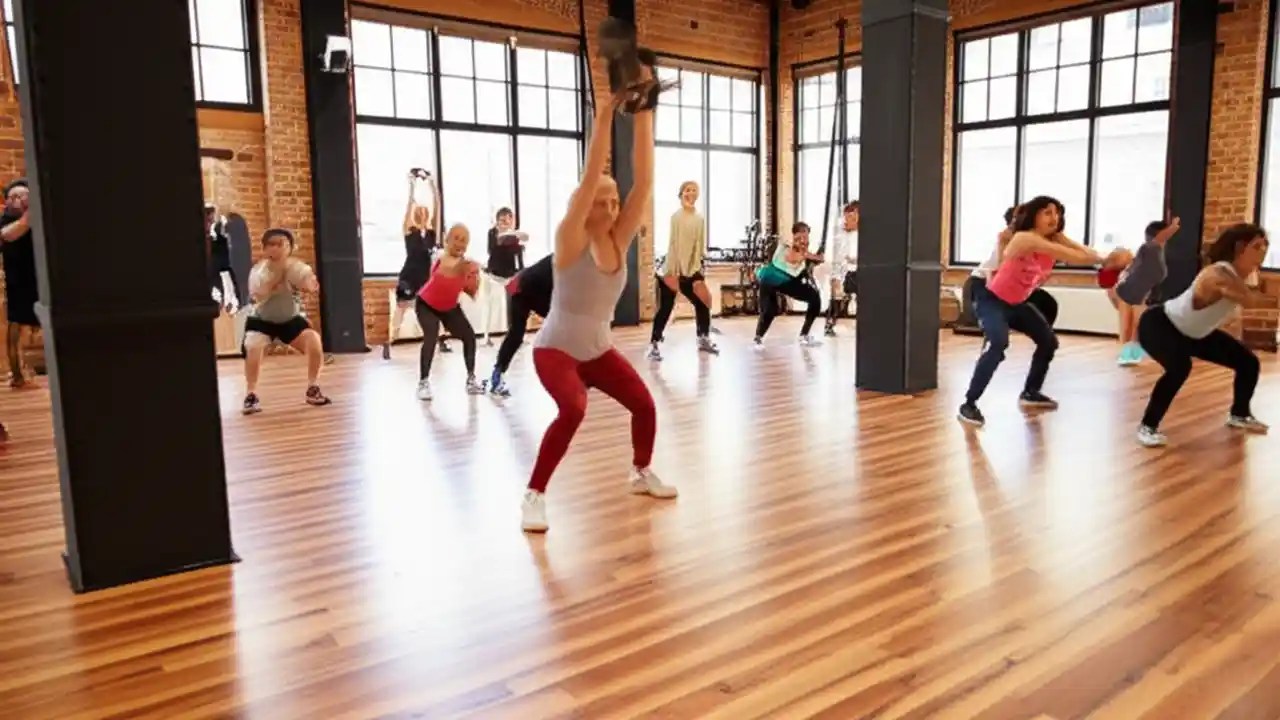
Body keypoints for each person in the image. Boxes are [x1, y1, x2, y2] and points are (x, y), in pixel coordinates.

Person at [521, 80, 674, 534]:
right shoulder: (570, 240)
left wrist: (646, 111)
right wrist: (606, 113)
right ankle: (534, 494)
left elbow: (643, 183)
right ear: (582, 206)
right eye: (601, 200)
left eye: (613, 201)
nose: (610, 205)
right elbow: (592, 177)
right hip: (556, 351)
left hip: (597, 350)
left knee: (645, 405)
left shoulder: (617, 238)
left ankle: (640, 472)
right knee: (573, 409)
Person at [957, 196, 1115, 427]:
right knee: (998, 344)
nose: (1054, 218)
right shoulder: (1026, 238)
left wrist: (1107, 258)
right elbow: (1077, 257)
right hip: (987, 293)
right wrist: (1108, 259)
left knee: (1048, 341)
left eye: (1057, 213)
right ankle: (969, 404)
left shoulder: (1052, 238)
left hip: (1015, 299)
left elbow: (1085, 252)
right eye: (1047, 213)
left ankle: (1031, 392)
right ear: (1034, 216)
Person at [1134, 223, 1269, 448]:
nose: (1263, 251)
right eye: (1257, 246)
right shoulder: (1218, 274)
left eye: (1265, 245)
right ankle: (1147, 426)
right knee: (1179, 368)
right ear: (1239, 248)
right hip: (1160, 325)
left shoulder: (1240, 276)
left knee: (1247, 362)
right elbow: (1249, 300)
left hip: (1195, 333)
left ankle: (1239, 414)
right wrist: (1252, 283)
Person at [241, 228, 331, 414]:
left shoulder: (297, 267)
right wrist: (277, 279)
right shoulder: (258, 271)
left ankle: (312, 388)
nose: (277, 248)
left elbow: (310, 284)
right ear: (265, 249)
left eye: (282, 244)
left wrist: (308, 283)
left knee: (313, 340)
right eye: (272, 244)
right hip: (262, 320)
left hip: (289, 319)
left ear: (289, 248)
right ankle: (251, 394)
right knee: (253, 346)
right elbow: (259, 294)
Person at [960, 205, 1060, 331]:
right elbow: (1003, 272)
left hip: (1005, 287)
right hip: (982, 283)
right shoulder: (1008, 238)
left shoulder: (1034, 240)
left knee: (1047, 303)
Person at [414, 223, 484, 400]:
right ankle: (423, 383)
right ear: (447, 240)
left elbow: (471, 292)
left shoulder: (466, 264)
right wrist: (463, 268)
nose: (460, 243)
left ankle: (471, 380)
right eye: (457, 239)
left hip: (449, 308)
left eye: (464, 240)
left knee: (469, 337)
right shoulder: (440, 256)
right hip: (426, 305)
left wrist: (475, 278)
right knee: (431, 336)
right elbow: (446, 271)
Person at [648, 180, 717, 360]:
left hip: (692, 268)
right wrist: (674, 272)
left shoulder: (700, 218)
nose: (691, 193)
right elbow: (674, 244)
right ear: (681, 194)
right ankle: (654, 344)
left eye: (694, 190)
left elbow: (700, 245)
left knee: (702, 302)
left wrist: (698, 270)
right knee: (666, 307)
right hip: (673, 268)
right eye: (687, 190)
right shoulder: (676, 217)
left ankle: (703, 338)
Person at [384, 171, 445, 360]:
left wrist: (432, 186)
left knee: (433, 311)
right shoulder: (409, 231)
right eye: (419, 211)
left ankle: (440, 339)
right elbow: (409, 206)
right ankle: (390, 341)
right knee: (401, 310)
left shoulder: (432, 234)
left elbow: (438, 207)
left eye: (424, 212)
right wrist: (412, 186)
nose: (422, 213)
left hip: (425, 279)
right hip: (409, 278)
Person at [1106, 218, 1179, 366]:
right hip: (1126, 292)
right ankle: (1127, 354)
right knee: (1128, 325)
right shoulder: (1149, 249)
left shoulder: (1157, 253)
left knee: (1137, 326)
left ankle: (1132, 354)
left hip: (1138, 295)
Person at [488, 253, 553, 398]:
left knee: (562, 323)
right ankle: (497, 374)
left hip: (533, 290)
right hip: (520, 289)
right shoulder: (562, 262)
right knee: (516, 334)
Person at [754, 221, 825, 347]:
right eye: (800, 236)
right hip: (770, 279)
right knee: (770, 310)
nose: (803, 239)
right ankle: (758, 338)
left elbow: (804, 265)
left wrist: (816, 258)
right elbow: (792, 258)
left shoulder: (804, 251)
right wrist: (811, 257)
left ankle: (804, 335)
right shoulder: (786, 245)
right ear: (795, 235)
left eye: (806, 236)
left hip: (787, 281)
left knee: (815, 299)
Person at [0, 179, 36, 389]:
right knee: (15, 328)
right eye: (12, 197)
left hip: (36, 280)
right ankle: (18, 377)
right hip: (16, 284)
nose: (17, 200)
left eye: (22, 196)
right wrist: (31, 213)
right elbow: (9, 234)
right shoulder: (7, 220)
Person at [481, 207, 526, 347]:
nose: (505, 223)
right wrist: (501, 237)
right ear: (497, 221)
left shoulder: (515, 236)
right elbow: (491, 249)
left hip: (510, 274)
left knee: (515, 305)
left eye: (508, 220)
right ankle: (486, 336)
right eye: (502, 220)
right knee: (491, 305)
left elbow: (519, 256)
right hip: (494, 274)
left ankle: (515, 335)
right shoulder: (492, 233)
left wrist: (522, 273)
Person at [824, 200, 859, 336]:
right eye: (850, 215)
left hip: (856, 269)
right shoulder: (841, 229)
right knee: (837, 299)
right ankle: (829, 324)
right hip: (842, 270)